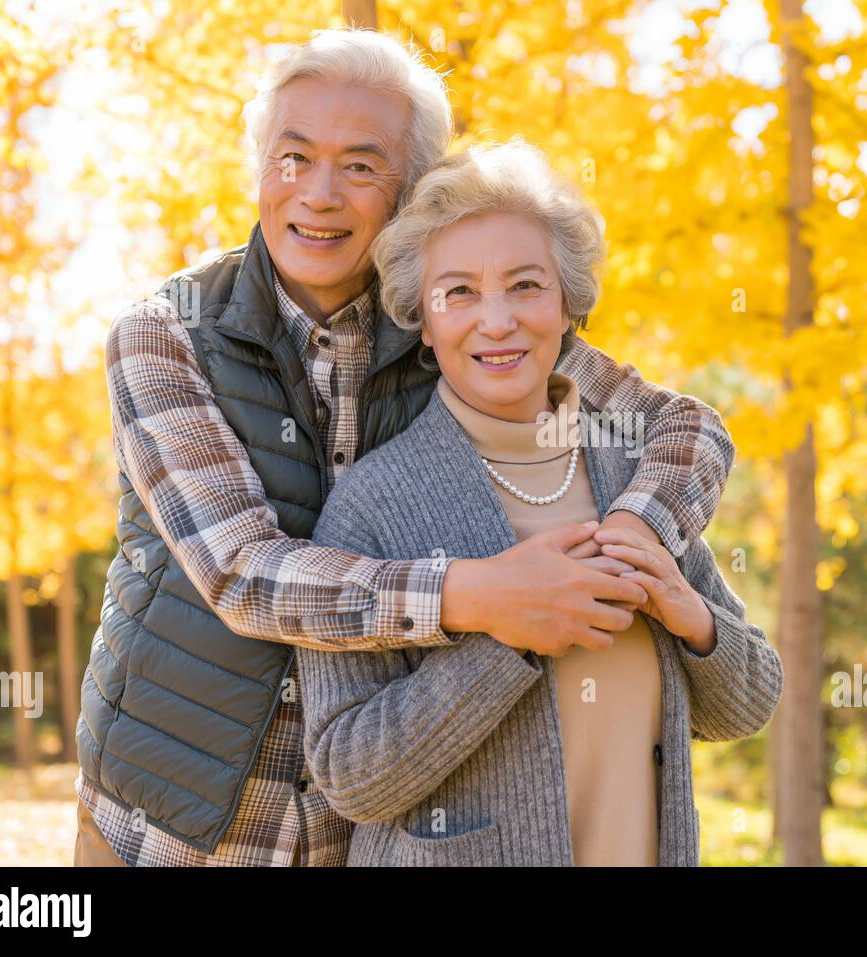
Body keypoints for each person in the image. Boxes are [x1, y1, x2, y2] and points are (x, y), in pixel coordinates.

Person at [73, 28, 735, 866]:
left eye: (360, 165)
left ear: (411, 187)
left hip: (358, 834)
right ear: (259, 169)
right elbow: (240, 573)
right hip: (173, 823)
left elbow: (687, 428)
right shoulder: (165, 333)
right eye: (293, 157)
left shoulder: (456, 314)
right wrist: (477, 594)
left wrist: (638, 530)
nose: (318, 194)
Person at [298, 140, 782, 866]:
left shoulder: (634, 475)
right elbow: (350, 774)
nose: (496, 321)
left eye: (525, 286)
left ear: (566, 307)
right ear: (424, 323)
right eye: (458, 292)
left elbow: (747, 702)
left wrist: (692, 616)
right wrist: (509, 632)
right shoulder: (372, 502)